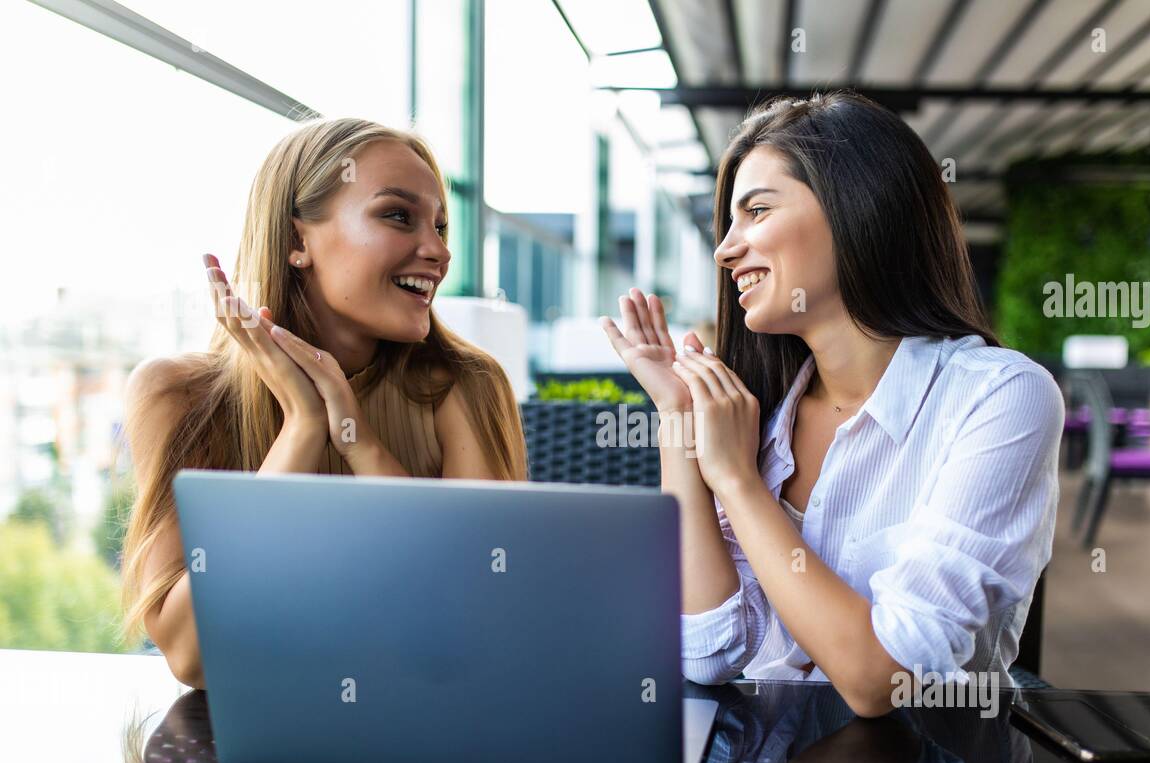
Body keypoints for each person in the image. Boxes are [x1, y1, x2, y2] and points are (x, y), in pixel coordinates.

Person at [601, 92, 1062, 717]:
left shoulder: (1000, 397)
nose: (725, 249)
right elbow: (708, 654)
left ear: (857, 211)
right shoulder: (759, 410)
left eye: (757, 211)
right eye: (728, 224)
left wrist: (738, 482)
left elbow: (883, 677)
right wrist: (681, 426)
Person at [120, 118, 527, 689]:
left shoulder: (466, 384)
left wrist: (358, 441)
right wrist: (303, 426)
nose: (438, 251)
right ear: (296, 243)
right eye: (397, 215)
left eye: (439, 226)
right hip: (245, 753)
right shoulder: (176, 395)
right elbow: (194, 658)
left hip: (425, 734)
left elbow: (478, 625)